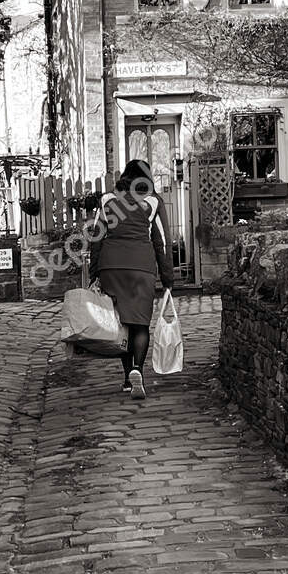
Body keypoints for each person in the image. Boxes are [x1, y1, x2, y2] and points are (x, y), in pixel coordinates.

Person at [89, 158, 175, 399]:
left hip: (111, 266)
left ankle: (128, 378)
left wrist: (94, 273)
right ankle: (138, 368)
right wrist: (168, 278)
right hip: (141, 267)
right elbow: (163, 242)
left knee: (121, 324)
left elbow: (96, 238)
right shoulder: (153, 201)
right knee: (140, 324)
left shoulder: (107, 200)